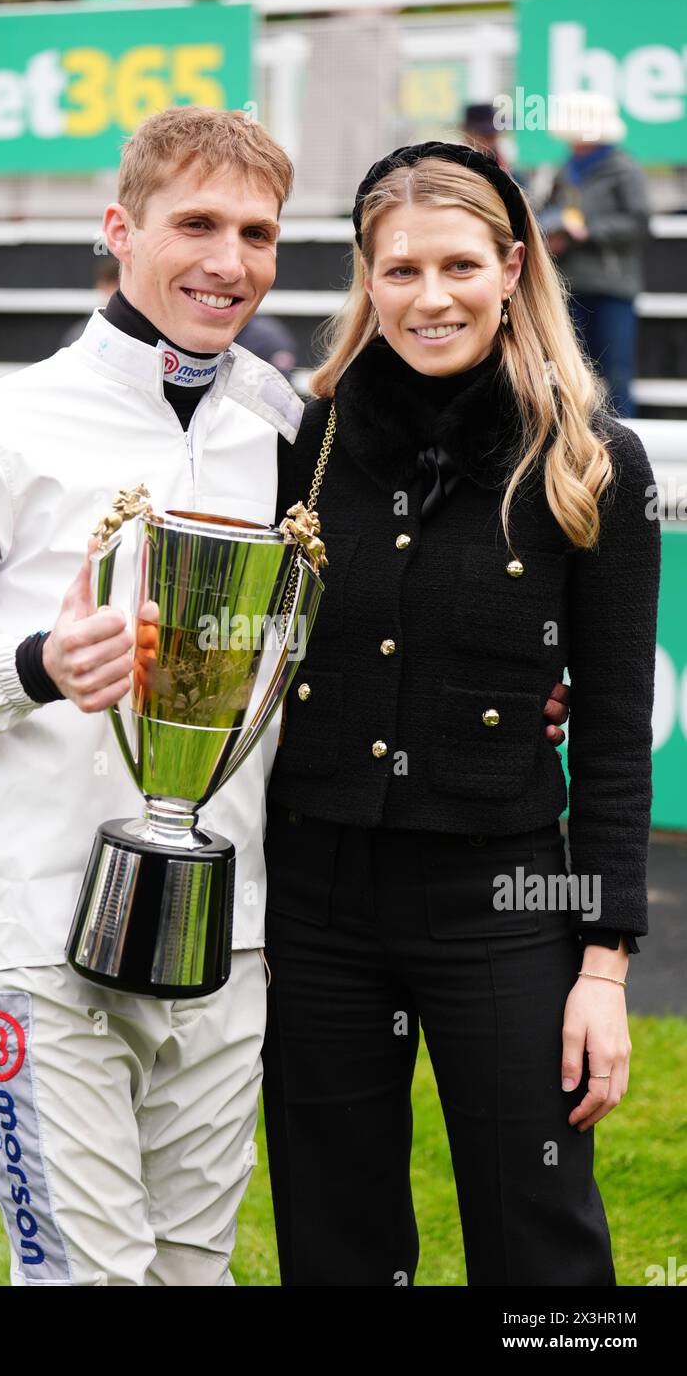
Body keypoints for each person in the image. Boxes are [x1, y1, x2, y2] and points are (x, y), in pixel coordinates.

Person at [0, 107, 302, 1287]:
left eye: (257, 232)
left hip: (229, 941)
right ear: (117, 230)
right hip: (46, 936)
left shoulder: (286, 434)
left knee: (196, 1275)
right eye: (195, 222)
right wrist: (33, 664)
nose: (227, 261)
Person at [261, 141, 660, 1286]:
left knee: (539, 1240)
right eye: (398, 270)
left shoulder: (591, 460)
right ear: (364, 279)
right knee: (334, 1240)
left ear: (511, 266)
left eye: (457, 265)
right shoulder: (307, 444)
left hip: (505, 901)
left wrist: (603, 967)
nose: (429, 297)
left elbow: (616, 734)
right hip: (317, 904)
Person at [537, 92, 651, 418]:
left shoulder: (624, 170)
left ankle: (626, 444)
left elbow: (639, 222)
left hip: (611, 287)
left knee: (616, 370)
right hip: (570, 284)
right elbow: (549, 211)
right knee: (570, 367)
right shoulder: (565, 171)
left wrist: (590, 231)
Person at [60, 255, 120, 349]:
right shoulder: (81, 333)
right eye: (112, 285)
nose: (117, 291)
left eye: (119, 285)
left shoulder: (81, 332)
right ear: (100, 286)